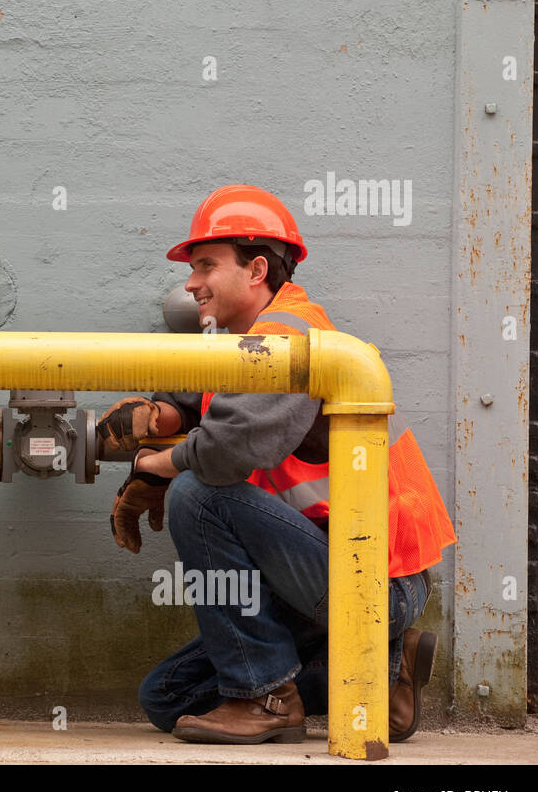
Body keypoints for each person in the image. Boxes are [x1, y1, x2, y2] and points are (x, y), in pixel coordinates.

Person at [98, 184, 456, 744]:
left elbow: (230, 450)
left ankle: (266, 698)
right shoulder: (251, 345)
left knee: (198, 492)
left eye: (205, 266)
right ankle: (385, 673)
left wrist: (156, 465)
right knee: (167, 697)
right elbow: (209, 398)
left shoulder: (290, 336)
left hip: (372, 581)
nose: (191, 284)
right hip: (313, 575)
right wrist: (166, 411)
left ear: (257, 268)